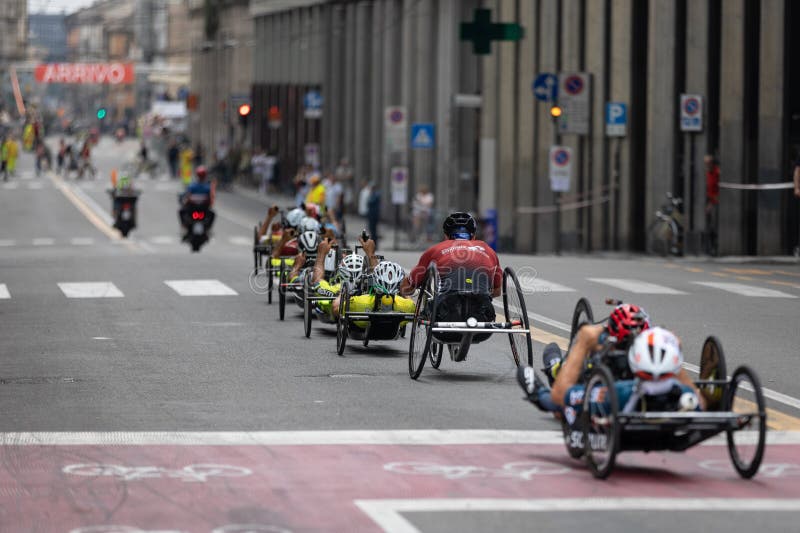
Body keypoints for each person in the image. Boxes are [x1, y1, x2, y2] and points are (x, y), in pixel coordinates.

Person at [517, 325, 705, 421]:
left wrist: (583, 342)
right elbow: (701, 404)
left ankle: (541, 389)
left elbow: (561, 396)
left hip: (615, 402)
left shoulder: (618, 394)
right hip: (665, 397)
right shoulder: (685, 394)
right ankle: (554, 365)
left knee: (558, 404)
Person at [400, 212, 501, 357]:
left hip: (445, 320)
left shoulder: (436, 249)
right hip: (483, 322)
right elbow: (497, 291)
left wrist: (403, 287)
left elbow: (407, 288)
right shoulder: (489, 250)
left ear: (446, 236)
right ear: (473, 236)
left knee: (431, 303)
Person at [179, 165, 216, 239]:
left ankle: (184, 227)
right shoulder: (207, 186)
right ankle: (208, 229)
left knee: (181, 211)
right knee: (212, 214)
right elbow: (211, 198)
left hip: (198, 210)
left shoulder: (192, 186)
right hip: (197, 210)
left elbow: (187, 196)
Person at [704, 154, 720, 256]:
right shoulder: (708, 173)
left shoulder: (717, 172)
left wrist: (712, 203)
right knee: (710, 226)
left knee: (714, 225)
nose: (706, 165)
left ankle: (715, 248)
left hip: (716, 202)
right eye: (705, 163)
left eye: (708, 163)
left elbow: (718, 190)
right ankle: (710, 248)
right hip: (710, 201)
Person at [366, 184, 382, 249]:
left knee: (373, 230)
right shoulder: (374, 194)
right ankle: (373, 244)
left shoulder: (375, 195)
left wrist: (369, 196)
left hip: (373, 215)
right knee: (372, 230)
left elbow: (369, 202)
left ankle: (374, 244)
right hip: (372, 215)